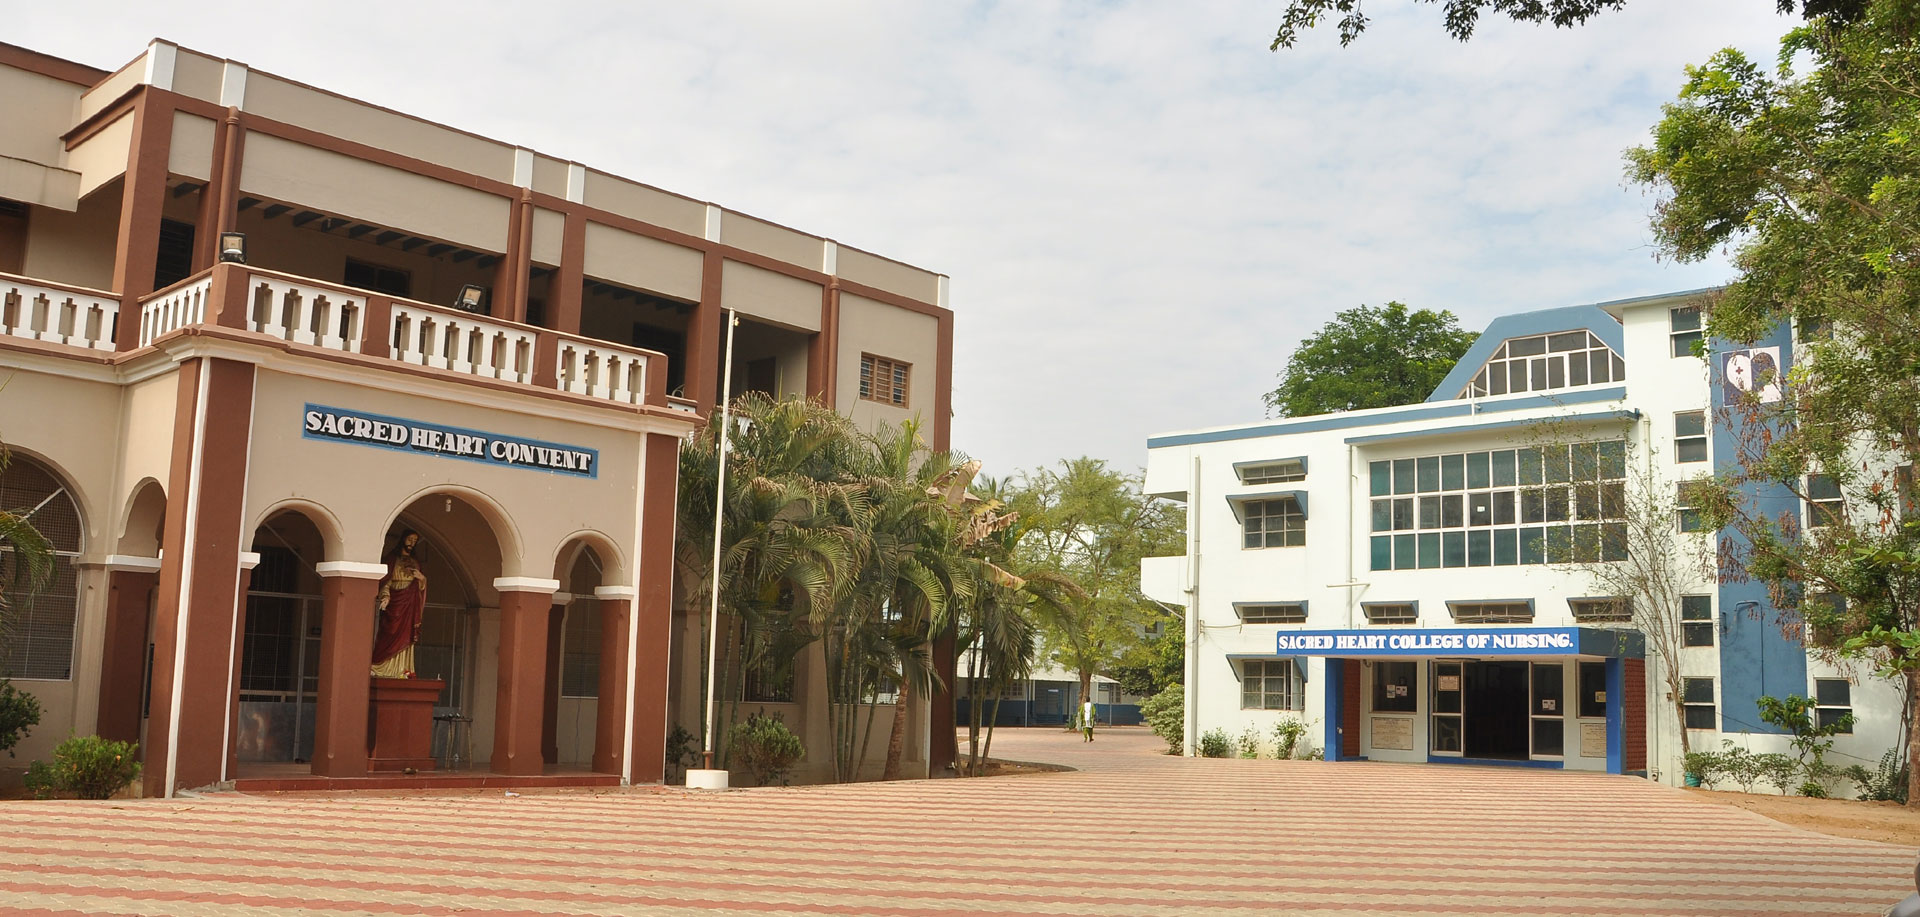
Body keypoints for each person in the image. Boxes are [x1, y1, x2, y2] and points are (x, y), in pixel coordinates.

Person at [370, 530, 427, 679]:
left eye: (415, 541)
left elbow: (422, 586)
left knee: (406, 634)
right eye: (409, 539)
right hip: (395, 602)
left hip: (410, 602)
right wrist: (386, 596)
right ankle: (380, 665)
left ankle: (403, 669)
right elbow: (386, 581)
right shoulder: (391, 559)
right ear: (403, 539)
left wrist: (422, 579)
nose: (411, 543)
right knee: (390, 632)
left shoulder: (416, 562)